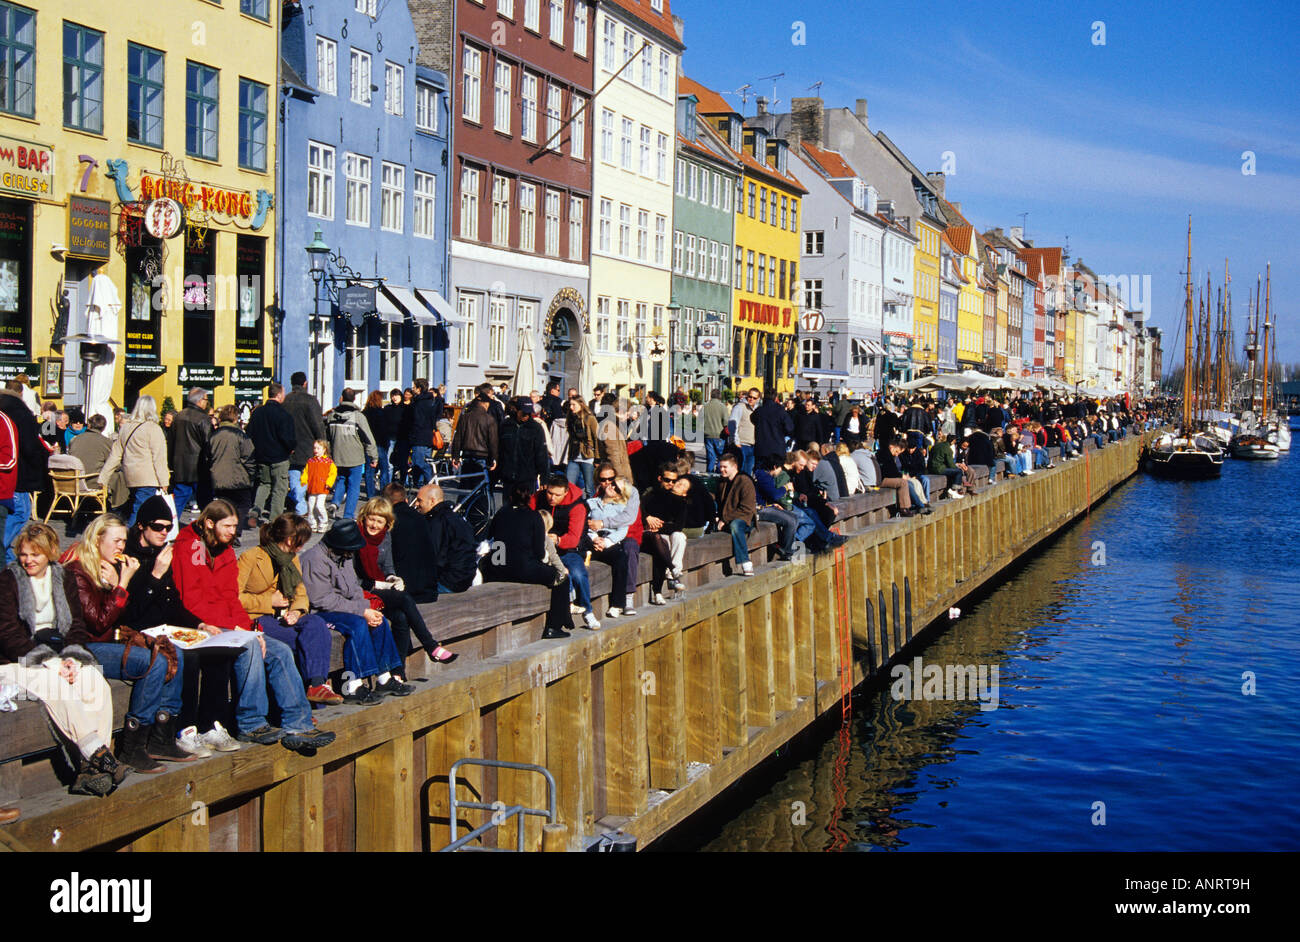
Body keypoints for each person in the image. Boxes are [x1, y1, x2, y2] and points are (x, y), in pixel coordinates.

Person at [172, 500, 336, 752]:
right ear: (209, 523)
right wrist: (239, 630)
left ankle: (299, 724)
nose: (233, 532)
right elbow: (192, 600)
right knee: (248, 645)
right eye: (227, 526)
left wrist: (247, 627)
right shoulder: (190, 548)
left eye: (235, 526)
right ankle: (251, 723)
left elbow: (230, 597)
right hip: (200, 625)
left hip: (229, 624)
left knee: (279, 650)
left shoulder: (225, 551)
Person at [0, 522, 128, 797]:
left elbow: (75, 627)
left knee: (94, 681)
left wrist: (71, 658)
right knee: (54, 684)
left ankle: (90, 771)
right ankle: (101, 756)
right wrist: (50, 661)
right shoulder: (8, 581)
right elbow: (9, 636)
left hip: (58, 656)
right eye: (24, 554)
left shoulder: (63, 578)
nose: (28, 560)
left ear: (49, 553)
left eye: (35, 554)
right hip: (15, 662)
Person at [61, 513, 195, 772]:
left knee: (171, 652)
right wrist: (122, 584)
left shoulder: (107, 567)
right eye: (116, 541)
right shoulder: (78, 571)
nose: (122, 547)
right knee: (153, 662)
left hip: (108, 642)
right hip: (83, 647)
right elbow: (98, 622)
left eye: (124, 541)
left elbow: (129, 615)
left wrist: (120, 584)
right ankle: (133, 746)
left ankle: (162, 737)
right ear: (97, 539)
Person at [119, 495, 237, 757]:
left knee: (218, 648)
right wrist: (155, 576)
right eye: (157, 527)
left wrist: (199, 623)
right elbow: (132, 612)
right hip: (137, 631)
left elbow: (174, 602)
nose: (163, 533)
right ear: (141, 526)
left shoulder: (162, 552)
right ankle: (184, 727)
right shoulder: (129, 557)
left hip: (166, 626)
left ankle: (210, 724)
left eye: (167, 527)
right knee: (189, 657)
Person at [300, 519, 413, 703]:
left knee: (380, 620)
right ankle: (353, 685)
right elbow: (322, 600)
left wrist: (366, 608)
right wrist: (361, 611)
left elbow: (353, 588)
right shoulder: (314, 559)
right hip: (319, 612)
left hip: (343, 606)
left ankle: (384, 678)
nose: (352, 552)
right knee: (357, 625)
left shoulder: (343, 555)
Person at [237, 513, 341, 705]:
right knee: (304, 644)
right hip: (259, 618)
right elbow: (234, 598)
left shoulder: (292, 559)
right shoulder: (250, 557)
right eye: (301, 542)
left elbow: (301, 594)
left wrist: (297, 611)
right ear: (289, 539)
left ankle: (317, 686)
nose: (302, 547)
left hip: (284, 616)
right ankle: (305, 705)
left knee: (316, 624)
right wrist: (269, 601)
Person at [354, 497, 456, 665]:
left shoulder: (385, 536)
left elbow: (388, 566)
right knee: (404, 598)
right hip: (359, 590)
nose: (374, 525)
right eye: (371, 519)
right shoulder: (356, 536)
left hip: (376, 588)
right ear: (364, 517)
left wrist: (393, 578)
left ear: (386, 524)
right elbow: (352, 578)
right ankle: (430, 645)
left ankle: (398, 673)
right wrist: (380, 585)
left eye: (379, 521)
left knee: (401, 617)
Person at [481, 485, 577, 639]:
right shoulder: (534, 516)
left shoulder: (501, 513)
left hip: (498, 567)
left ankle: (566, 619)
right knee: (562, 580)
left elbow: (493, 539)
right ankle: (553, 626)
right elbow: (539, 552)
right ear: (529, 499)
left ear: (510, 497)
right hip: (524, 568)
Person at [532, 475, 600, 629]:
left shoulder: (577, 506)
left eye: (557, 495)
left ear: (566, 492)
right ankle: (565, 606)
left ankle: (587, 611)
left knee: (578, 573)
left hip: (569, 548)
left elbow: (574, 538)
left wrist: (558, 540)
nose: (552, 498)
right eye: (549, 493)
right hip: (543, 547)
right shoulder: (539, 497)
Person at [1, 380, 49, 562]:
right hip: (18, 473)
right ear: (21, 394)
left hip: (11, 472)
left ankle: (6, 560)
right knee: (21, 511)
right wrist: (39, 461)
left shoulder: (5, 411)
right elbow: (30, 446)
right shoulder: (21, 413)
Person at [585, 464, 641, 618]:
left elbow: (627, 522)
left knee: (625, 554)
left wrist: (606, 539)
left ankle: (623, 599)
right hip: (594, 538)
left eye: (612, 480)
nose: (609, 484)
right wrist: (594, 538)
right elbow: (586, 523)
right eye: (604, 480)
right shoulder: (593, 501)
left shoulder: (628, 495)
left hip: (622, 536)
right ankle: (578, 602)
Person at [246, 382, 298, 525]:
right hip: (279, 457)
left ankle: (255, 511)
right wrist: (291, 447)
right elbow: (288, 438)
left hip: (261, 456)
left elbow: (249, 433)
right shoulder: (284, 414)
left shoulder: (257, 412)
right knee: (279, 489)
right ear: (279, 395)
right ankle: (274, 520)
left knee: (264, 484)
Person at [415, 483, 478, 596]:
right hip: (466, 577)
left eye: (419, 500)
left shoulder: (437, 522)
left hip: (448, 582)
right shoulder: (456, 517)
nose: (416, 504)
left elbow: (433, 557)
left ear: (432, 501)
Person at [640, 462, 688, 605]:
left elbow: (679, 526)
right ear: (660, 478)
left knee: (680, 536)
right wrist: (647, 518)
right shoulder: (649, 494)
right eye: (667, 480)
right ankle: (671, 576)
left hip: (664, 531)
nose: (671, 484)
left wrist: (660, 526)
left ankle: (673, 572)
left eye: (674, 481)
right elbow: (639, 512)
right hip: (650, 533)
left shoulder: (679, 499)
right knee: (662, 542)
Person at [327, 388, 378, 521]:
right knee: (353, 486)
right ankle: (348, 515)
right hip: (355, 457)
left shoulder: (332, 415)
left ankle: (335, 502)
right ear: (354, 399)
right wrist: (373, 456)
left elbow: (327, 436)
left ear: (341, 398)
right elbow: (368, 438)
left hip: (337, 455)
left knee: (341, 479)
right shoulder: (358, 417)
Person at [385, 483, 440, 603]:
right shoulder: (421, 518)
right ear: (405, 499)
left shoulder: (390, 521)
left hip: (406, 589)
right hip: (428, 588)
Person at [209, 404, 257, 536]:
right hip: (238, 478)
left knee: (225, 506)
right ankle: (234, 532)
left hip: (218, 478)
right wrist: (251, 475)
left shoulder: (213, 435)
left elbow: (208, 457)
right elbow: (249, 457)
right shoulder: (239, 435)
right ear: (235, 418)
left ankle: (223, 531)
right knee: (243, 505)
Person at [284, 371, 327, 516]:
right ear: (305, 383)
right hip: (308, 445)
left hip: (289, 446)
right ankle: (299, 503)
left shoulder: (285, 400)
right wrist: (323, 445)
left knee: (294, 475)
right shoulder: (310, 400)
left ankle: (298, 504)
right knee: (308, 476)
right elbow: (318, 425)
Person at [171, 387, 212, 514]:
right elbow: (208, 443)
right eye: (206, 399)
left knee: (178, 501)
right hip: (199, 468)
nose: (206, 402)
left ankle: (172, 530)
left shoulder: (178, 416)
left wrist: (171, 463)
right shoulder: (203, 418)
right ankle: (207, 529)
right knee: (205, 504)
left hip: (181, 466)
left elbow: (171, 441)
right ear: (199, 401)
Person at [716, 454, 757, 577]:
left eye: (725, 467)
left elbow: (746, 508)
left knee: (735, 526)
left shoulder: (745, 481)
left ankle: (745, 562)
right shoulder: (722, 481)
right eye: (720, 467)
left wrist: (724, 519)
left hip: (745, 519)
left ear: (734, 467)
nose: (721, 469)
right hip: (726, 518)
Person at [408, 378, 441, 489]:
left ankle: (430, 485)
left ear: (419, 388)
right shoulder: (431, 401)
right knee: (424, 462)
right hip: (428, 437)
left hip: (419, 437)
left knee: (420, 463)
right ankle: (424, 486)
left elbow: (416, 421)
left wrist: (411, 436)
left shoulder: (418, 403)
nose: (412, 389)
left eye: (414, 387)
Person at [564, 397, 599, 497]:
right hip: (574, 456)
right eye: (570, 405)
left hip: (588, 456)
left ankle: (590, 509)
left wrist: (597, 458)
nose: (571, 407)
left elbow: (597, 438)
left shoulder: (590, 418)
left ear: (581, 404)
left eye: (573, 405)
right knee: (569, 486)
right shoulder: (571, 418)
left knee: (589, 488)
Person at [301, 439, 338, 533]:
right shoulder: (311, 461)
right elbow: (306, 472)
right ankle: (312, 523)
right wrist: (304, 480)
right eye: (314, 448)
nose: (316, 450)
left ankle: (323, 522)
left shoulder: (328, 462)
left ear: (324, 449)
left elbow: (333, 473)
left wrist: (329, 483)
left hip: (322, 487)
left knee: (319, 505)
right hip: (312, 487)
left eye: (318, 448)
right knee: (310, 505)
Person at [751, 391, 794, 470]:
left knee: (761, 475)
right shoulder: (781, 411)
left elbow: (752, 419)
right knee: (776, 475)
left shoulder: (759, 411)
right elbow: (790, 428)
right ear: (776, 398)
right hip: (777, 449)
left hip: (761, 448)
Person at [875, 436, 915, 517]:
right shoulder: (885, 455)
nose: (897, 454)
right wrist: (901, 476)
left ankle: (912, 504)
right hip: (881, 479)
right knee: (903, 483)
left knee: (909, 482)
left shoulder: (887, 454)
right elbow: (890, 472)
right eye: (896, 451)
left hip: (883, 477)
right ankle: (904, 508)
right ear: (891, 446)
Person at [727, 388, 758, 476]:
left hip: (752, 445)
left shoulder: (757, 409)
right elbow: (732, 424)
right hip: (741, 444)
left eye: (754, 398)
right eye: (750, 396)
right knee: (738, 472)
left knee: (747, 474)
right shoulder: (740, 407)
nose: (751, 399)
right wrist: (736, 442)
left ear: (758, 399)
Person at [699, 390, 730, 473]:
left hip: (707, 435)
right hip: (719, 436)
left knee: (711, 457)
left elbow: (700, 421)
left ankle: (710, 475)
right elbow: (726, 422)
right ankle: (719, 475)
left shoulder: (705, 407)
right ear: (719, 396)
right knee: (721, 457)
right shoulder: (723, 407)